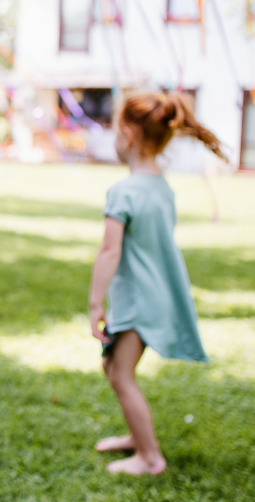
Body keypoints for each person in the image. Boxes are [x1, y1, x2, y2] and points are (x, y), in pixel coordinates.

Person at [88, 91, 226, 475]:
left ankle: (150, 457)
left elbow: (109, 252)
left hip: (138, 301)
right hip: (155, 296)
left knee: (121, 375)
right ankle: (137, 437)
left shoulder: (123, 191)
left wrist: (96, 304)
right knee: (115, 369)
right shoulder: (161, 186)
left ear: (128, 135)